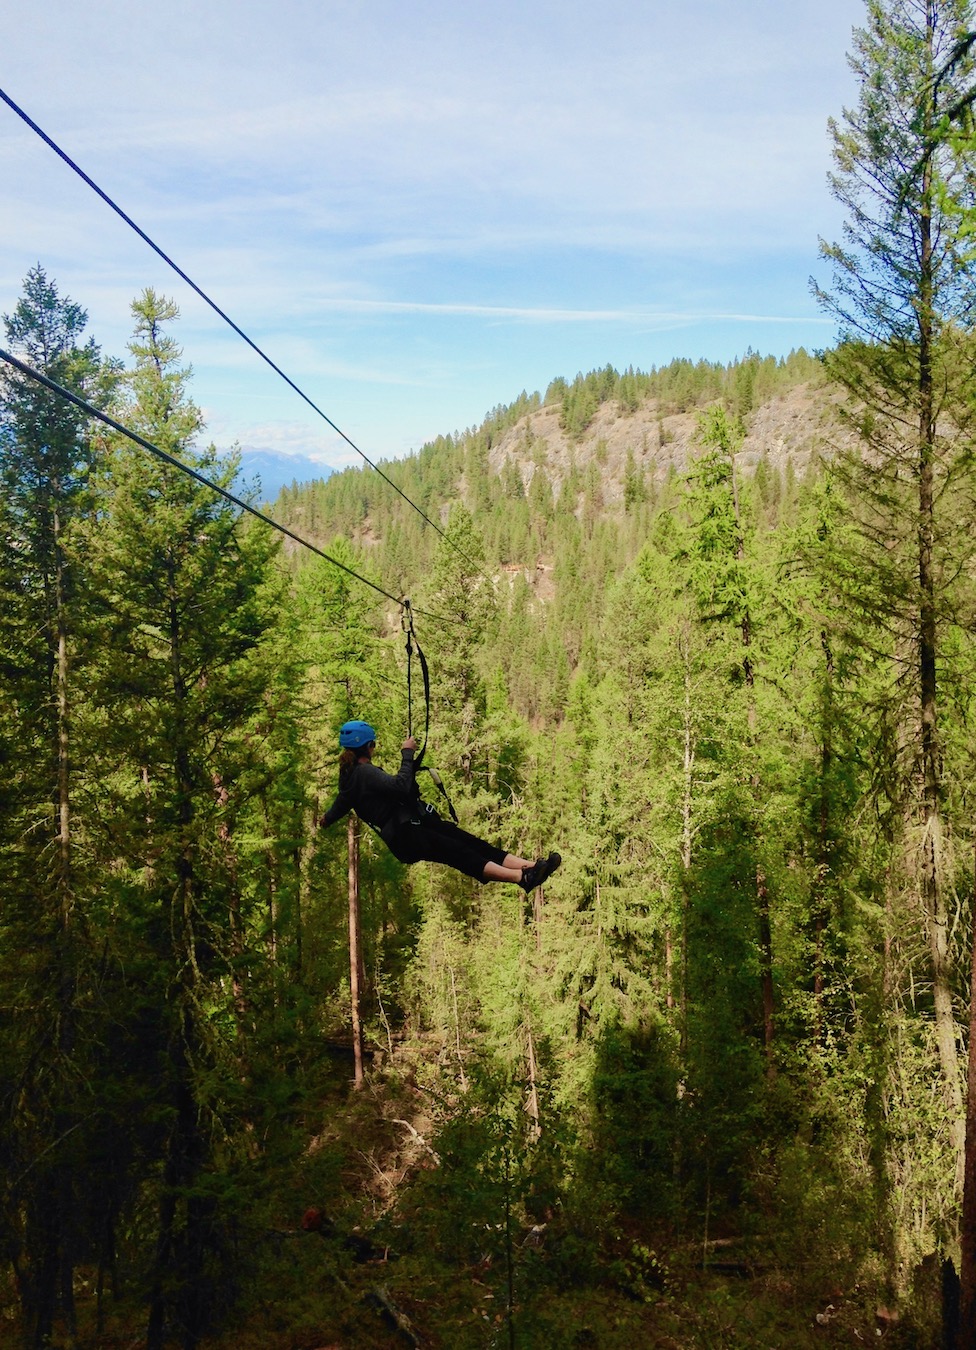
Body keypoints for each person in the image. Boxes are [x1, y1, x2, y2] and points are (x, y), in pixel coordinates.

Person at [319, 720, 561, 892]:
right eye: (373, 744)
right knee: (461, 852)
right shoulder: (364, 773)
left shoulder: (351, 777)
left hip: (411, 829)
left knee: (471, 844)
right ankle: (522, 877)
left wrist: (326, 820)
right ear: (367, 746)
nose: (374, 748)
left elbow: (341, 804)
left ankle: (532, 866)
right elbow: (401, 786)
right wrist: (407, 755)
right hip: (408, 834)